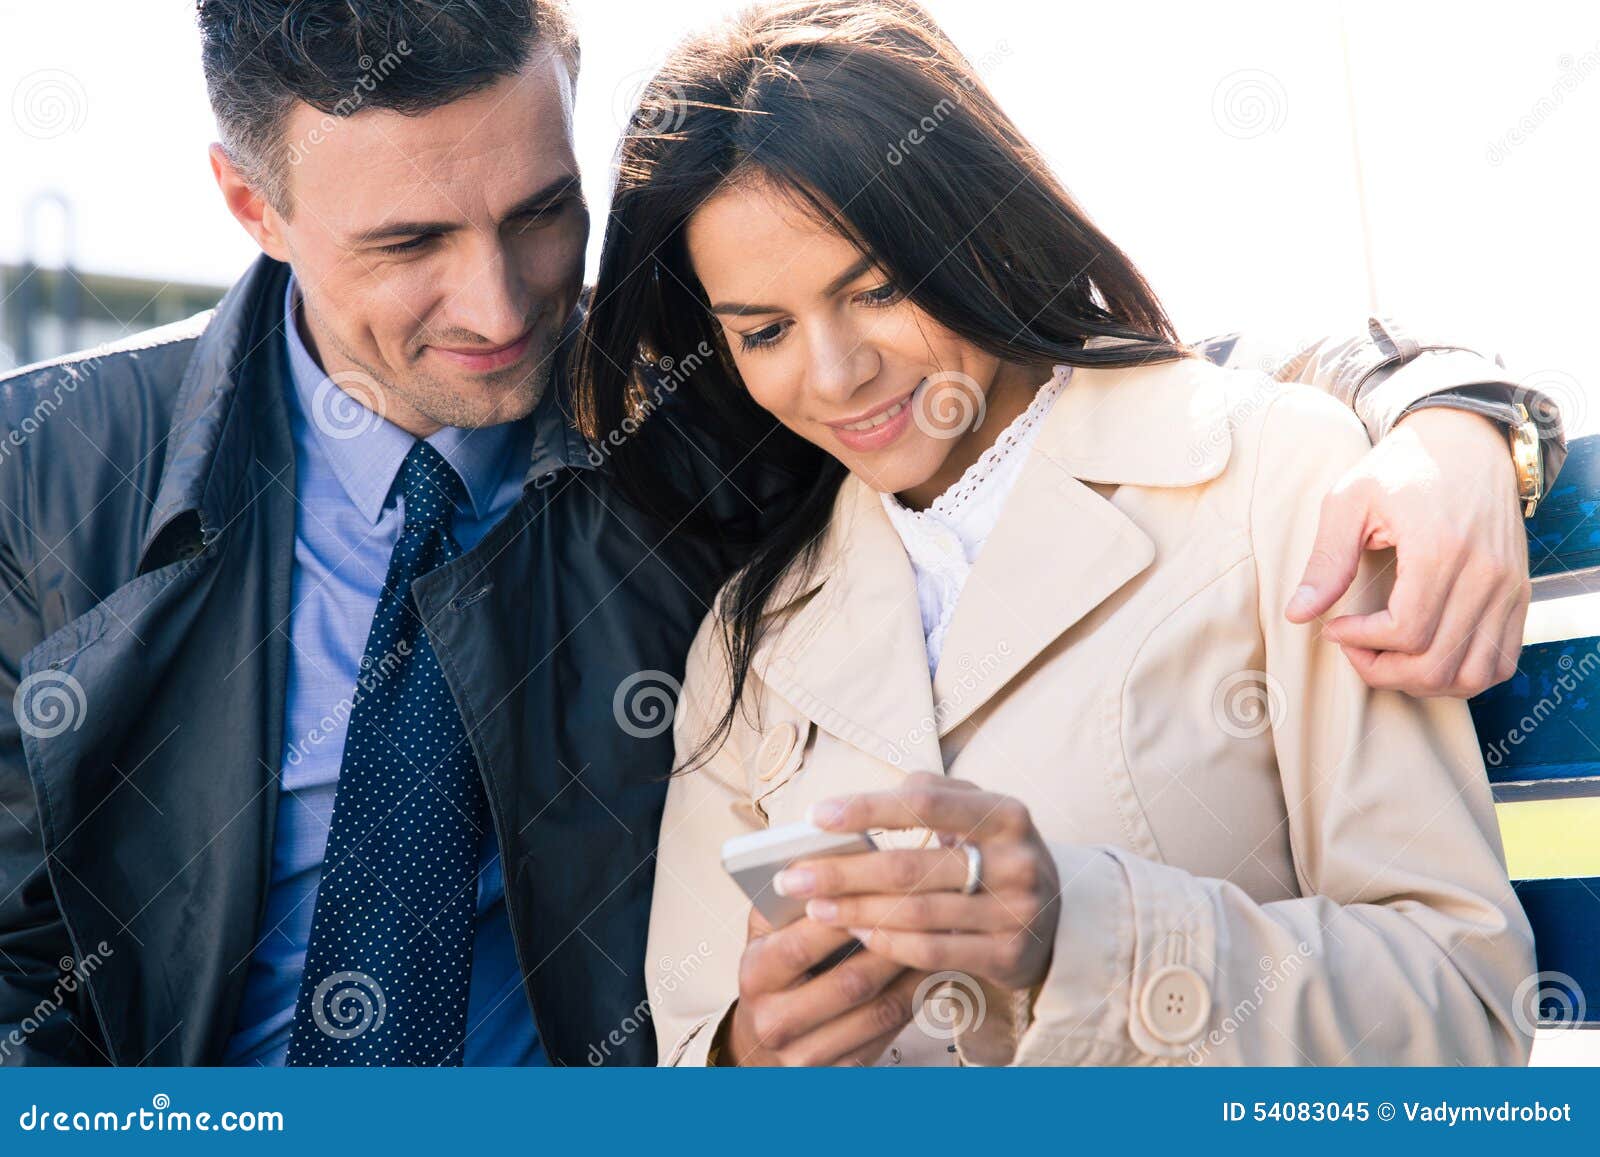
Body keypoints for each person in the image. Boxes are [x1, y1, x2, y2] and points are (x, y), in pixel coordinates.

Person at [0, 0, 1557, 1067]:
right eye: (407, 243)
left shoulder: (684, 397)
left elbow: (1080, 375)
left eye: (542, 214)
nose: (499, 308)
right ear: (246, 202)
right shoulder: (49, 483)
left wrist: (1449, 414)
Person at [576, 0, 1542, 1065]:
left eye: (880, 287)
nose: (836, 374)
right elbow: (688, 1055)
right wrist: (751, 1054)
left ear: (977, 227)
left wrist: (1083, 938)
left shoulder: (1273, 476)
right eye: (762, 331)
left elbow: (1464, 1009)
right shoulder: (745, 643)